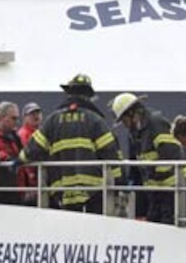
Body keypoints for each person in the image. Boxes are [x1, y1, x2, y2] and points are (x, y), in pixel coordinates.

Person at [19, 74, 121, 213]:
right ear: (88, 96)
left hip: (61, 193)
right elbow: (110, 152)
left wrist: (18, 160)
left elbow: (32, 150)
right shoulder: (96, 120)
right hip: (93, 192)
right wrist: (119, 182)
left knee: (67, 231)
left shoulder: (53, 120)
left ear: (69, 94)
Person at [110, 93, 186, 225]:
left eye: (123, 120)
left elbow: (171, 156)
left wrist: (154, 180)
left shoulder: (156, 124)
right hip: (156, 191)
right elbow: (136, 164)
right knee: (153, 225)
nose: (124, 124)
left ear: (131, 113)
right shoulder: (135, 132)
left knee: (170, 227)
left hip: (172, 189)